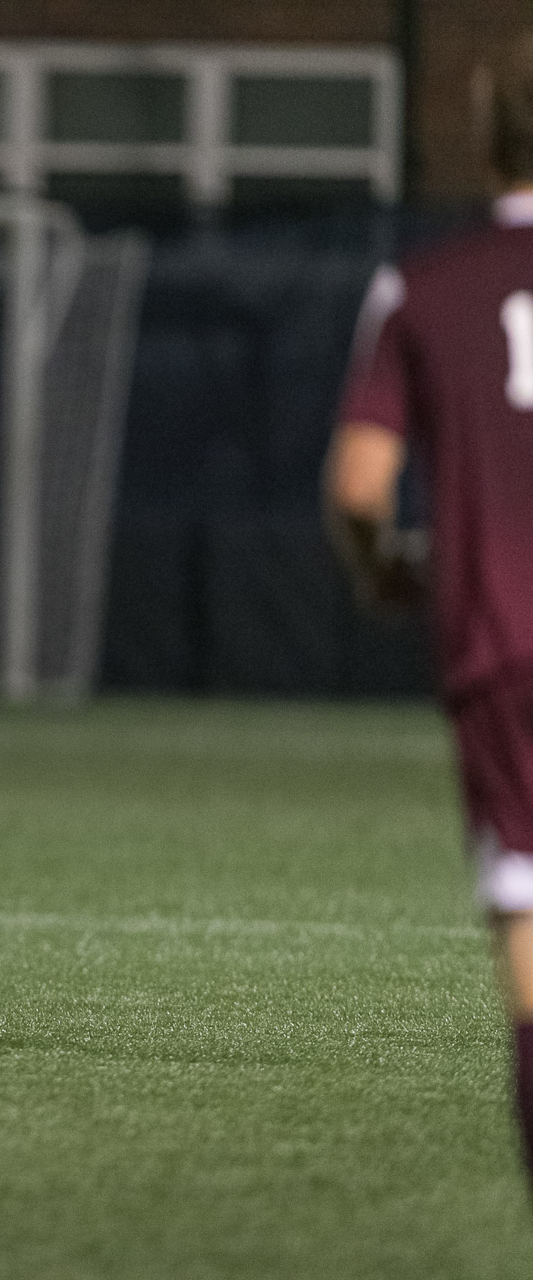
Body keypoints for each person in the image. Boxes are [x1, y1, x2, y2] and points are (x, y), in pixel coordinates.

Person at [327, 33, 533, 1186]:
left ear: (488, 142)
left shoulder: (424, 288)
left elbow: (360, 488)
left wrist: (382, 572)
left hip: (507, 644)